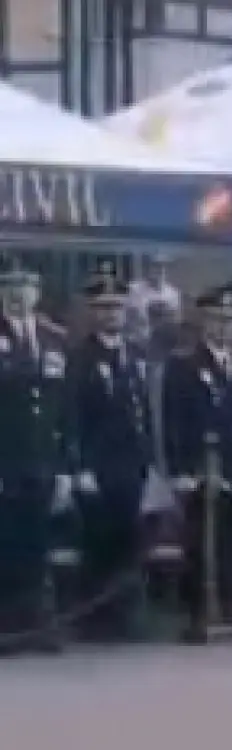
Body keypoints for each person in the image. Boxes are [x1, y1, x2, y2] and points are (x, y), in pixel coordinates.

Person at [68, 264, 155, 642]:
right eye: (103, 307)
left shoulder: (135, 356)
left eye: (116, 308)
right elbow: (72, 415)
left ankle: (124, 618)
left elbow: (144, 413)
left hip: (131, 465)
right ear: (92, 312)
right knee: (99, 544)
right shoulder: (81, 358)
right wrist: (80, 466)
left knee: (129, 541)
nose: (111, 315)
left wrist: (149, 459)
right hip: (99, 465)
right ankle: (95, 621)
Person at [162, 285, 232, 644]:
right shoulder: (184, 365)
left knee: (231, 540)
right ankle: (198, 610)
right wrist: (181, 470)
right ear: (202, 322)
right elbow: (174, 420)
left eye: (229, 320)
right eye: (217, 319)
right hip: (201, 468)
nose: (224, 327)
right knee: (201, 543)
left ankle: (228, 604)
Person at [0, 259, 73, 654]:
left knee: (38, 543)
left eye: (25, 287)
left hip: (44, 459)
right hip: (5, 461)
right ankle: (8, 627)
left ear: (37, 293)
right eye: (9, 287)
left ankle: (38, 624)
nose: (17, 294)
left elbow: (66, 408)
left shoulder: (54, 340)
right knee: (6, 544)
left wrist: (66, 467)